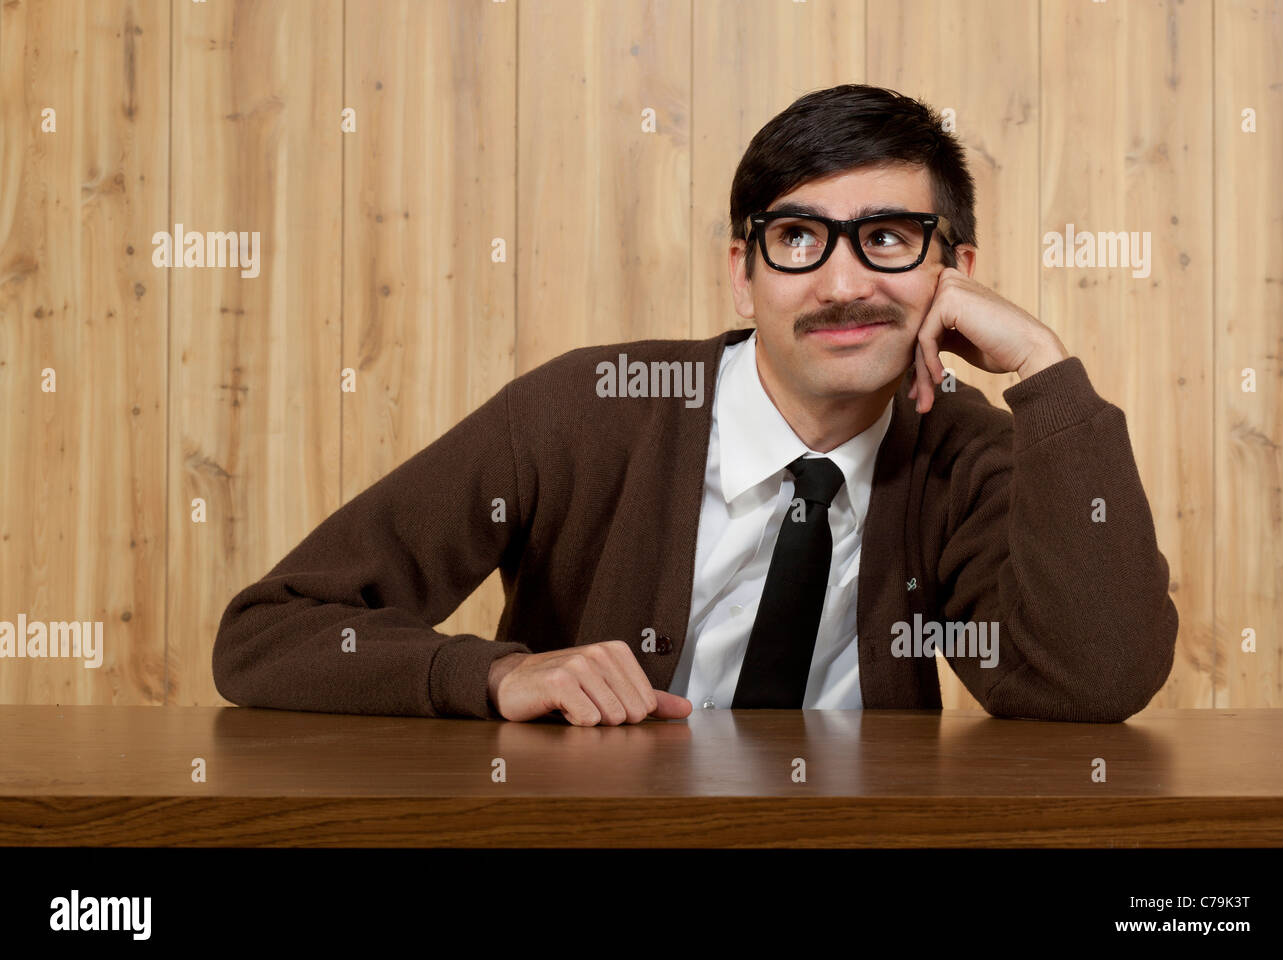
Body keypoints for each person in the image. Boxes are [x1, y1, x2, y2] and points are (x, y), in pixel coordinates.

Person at [212, 84, 1178, 726]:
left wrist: (1046, 372)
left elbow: (1093, 683)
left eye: (888, 237)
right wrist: (496, 673)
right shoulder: (586, 411)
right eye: (799, 237)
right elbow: (271, 633)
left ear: (956, 273)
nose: (843, 283)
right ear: (742, 274)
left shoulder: (968, 455)